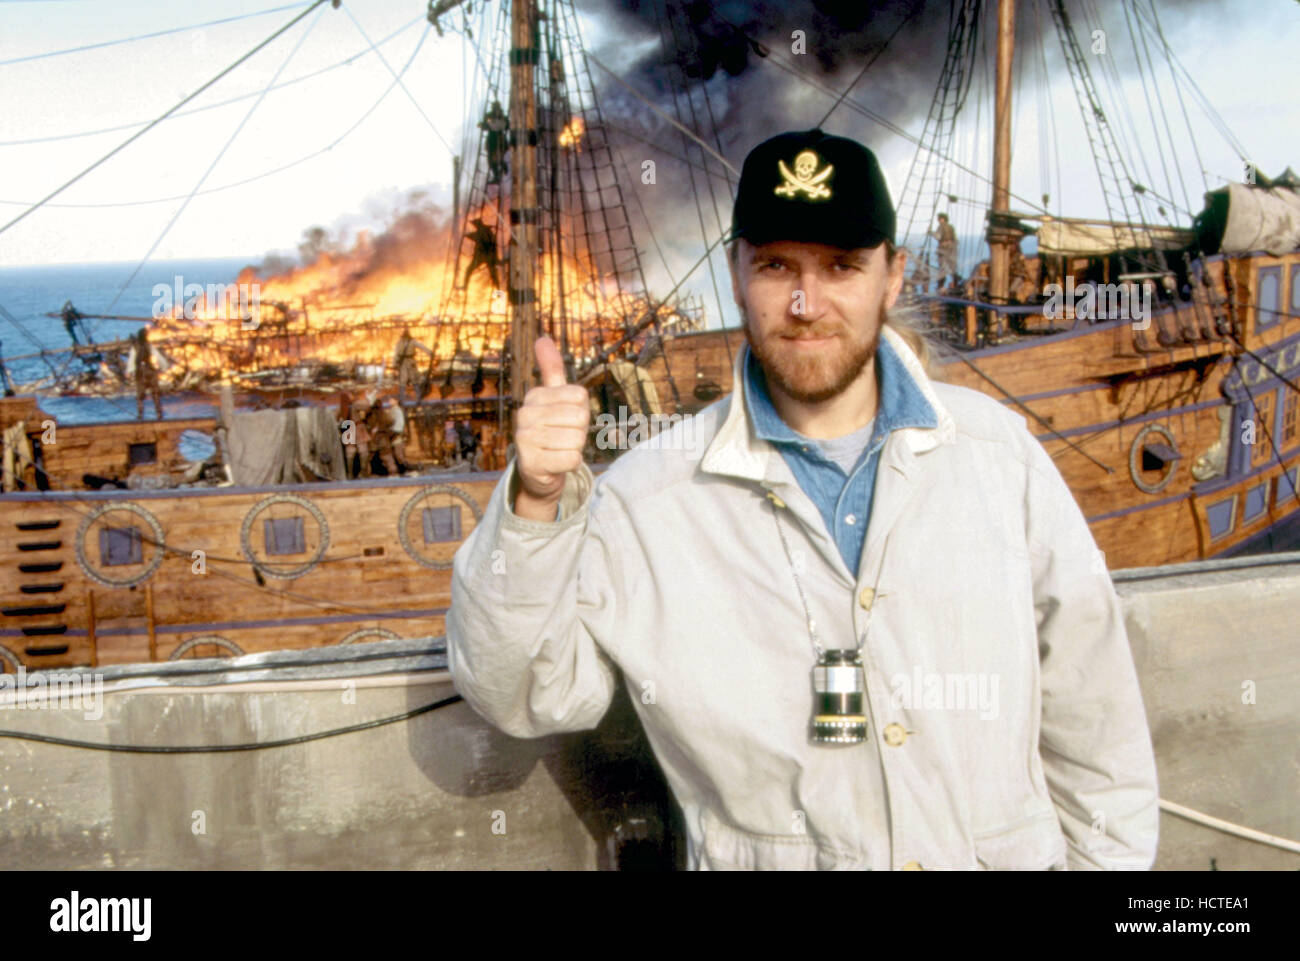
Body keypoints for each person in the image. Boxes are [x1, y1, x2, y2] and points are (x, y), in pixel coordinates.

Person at [447, 128, 1158, 871]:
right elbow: (523, 690)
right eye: (777, 264)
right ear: (734, 272)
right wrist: (534, 502)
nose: (805, 301)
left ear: (892, 277)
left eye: (842, 266)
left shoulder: (998, 458)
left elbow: (1095, 717)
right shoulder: (649, 500)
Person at [129, 327, 162, 421]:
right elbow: (158, 356)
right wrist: (163, 367)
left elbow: (132, 359)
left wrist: (129, 371)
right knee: (155, 394)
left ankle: (140, 415)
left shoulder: (135, 346)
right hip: (150, 370)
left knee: (140, 395)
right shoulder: (149, 345)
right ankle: (159, 414)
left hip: (140, 372)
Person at [479, 100, 509, 185]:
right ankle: (501, 166)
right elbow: (507, 126)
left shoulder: (489, 116)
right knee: (495, 158)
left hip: (493, 140)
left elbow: (486, 126)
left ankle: (497, 174)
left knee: (491, 160)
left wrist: (482, 125)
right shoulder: (503, 117)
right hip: (501, 140)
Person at [930, 212, 958, 289]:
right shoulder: (951, 227)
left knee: (942, 267)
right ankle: (955, 283)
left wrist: (931, 232)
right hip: (952, 248)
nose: (938, 220)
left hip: (943, 248)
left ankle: (941, 285)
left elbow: (938, 236)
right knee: (952, 266)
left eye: (939, 218)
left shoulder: (941, 226)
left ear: (942, 219)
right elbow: (955, 239)